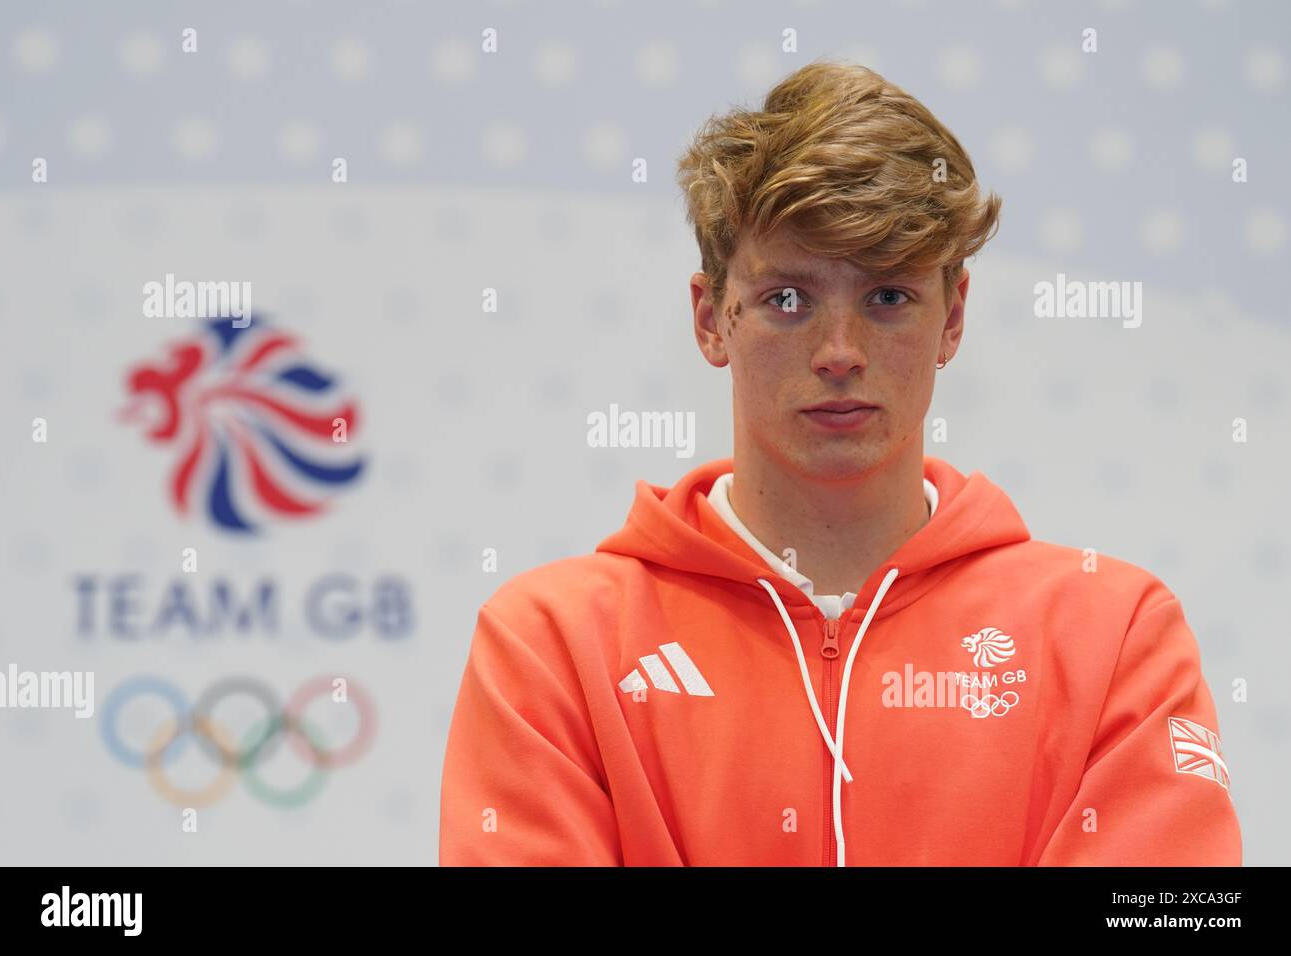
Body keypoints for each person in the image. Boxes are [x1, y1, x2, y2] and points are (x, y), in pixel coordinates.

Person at [438, 58, 1241, 866]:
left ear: (952, 318)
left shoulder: (1112, 634)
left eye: (887, 297)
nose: (839, 353)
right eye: (789, 299)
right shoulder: (554, 644)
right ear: (713, 318)